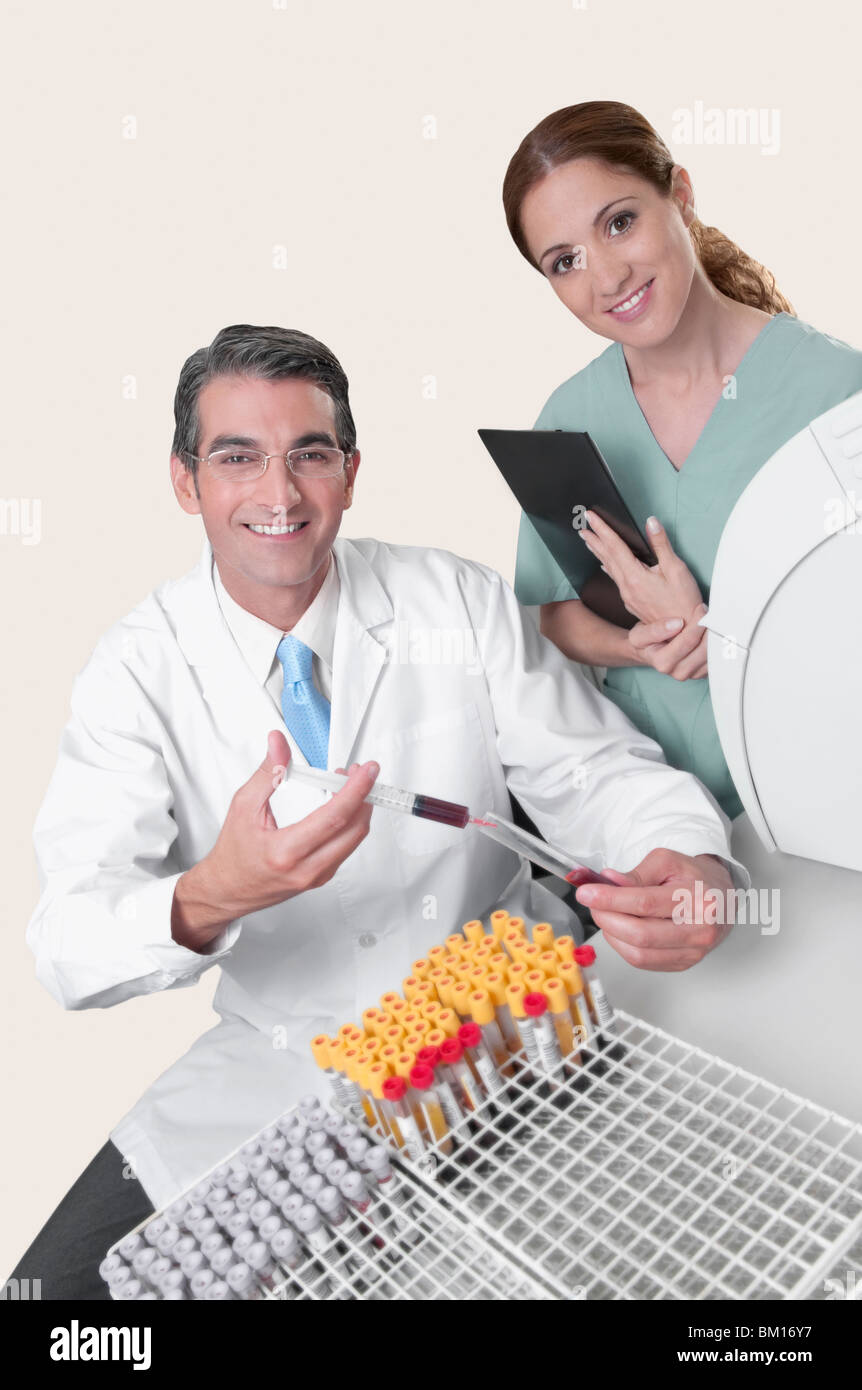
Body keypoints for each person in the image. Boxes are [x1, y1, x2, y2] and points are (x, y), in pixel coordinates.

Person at [11, 324, 747, 1298]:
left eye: (309, 455)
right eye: (237, 458)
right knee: (61, 1303)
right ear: (187, 481)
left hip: (501, 1033)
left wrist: (689, 863)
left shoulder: (452, 602)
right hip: (276, 1069)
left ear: (350, 472)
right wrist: (209, 893)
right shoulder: (133, 672)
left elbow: (596, 775)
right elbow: (67, 944)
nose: (279, 495)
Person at [503, 100, 862, 819]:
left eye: (619, 221)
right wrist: (646, 644)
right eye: (564, 262)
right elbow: (555, 618)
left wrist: (722, 633)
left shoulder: (836, 394)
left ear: (683, 198)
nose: (605, 277)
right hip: (653, 814)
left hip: (824, 798)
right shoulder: (569, 419)